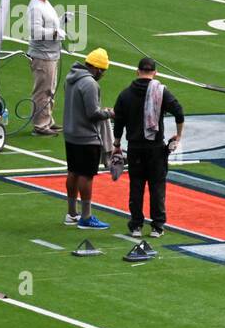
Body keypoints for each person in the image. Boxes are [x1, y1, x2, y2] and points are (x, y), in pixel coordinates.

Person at [112, 58, 185, 239]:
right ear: (155, 73)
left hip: (135, 148)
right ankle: (157, 227)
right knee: (157, 187)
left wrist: (117, 145)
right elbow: (179, 112)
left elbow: (118, 122)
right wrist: (178, 136)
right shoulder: (161, 92)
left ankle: (136, 225)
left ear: (137, 72)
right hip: (155, 149)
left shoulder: (125, 94)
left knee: (136, 187)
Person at [62, 48, 115, 229]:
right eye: (103, 71)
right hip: (86, 136)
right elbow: (92, 114)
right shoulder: (90, 84)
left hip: (70, 133)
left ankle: (71, 213)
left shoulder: (71, 78)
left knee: (73, 172)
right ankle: (86, 216)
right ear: (98, 69)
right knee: (86, 175)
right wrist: (108, 113)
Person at [25, 0, 67, 137]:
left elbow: (50, 24)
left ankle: (47, 120)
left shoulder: (45, 3)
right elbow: (35, 31)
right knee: (42, 90)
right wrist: (55, 34)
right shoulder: (35, 7)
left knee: (50, 89)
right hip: (42, 56)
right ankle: (40, 125)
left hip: (51, 54)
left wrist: (62, 21)